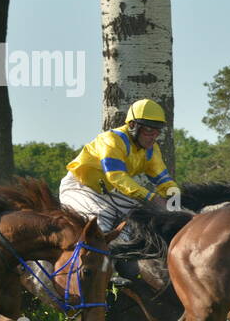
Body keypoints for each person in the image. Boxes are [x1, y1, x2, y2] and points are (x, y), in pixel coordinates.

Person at [60, 99, 181, 233]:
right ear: (133, 125)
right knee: (100, 221)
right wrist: (152, 198)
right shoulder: (111, 140)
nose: (153, 137)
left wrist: (175, 202)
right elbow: (117, 177)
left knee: (141, 218)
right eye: (149, 130)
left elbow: (165, 182)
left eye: (157, 131)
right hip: (78, 186)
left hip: (105, 193)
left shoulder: (152, 150)